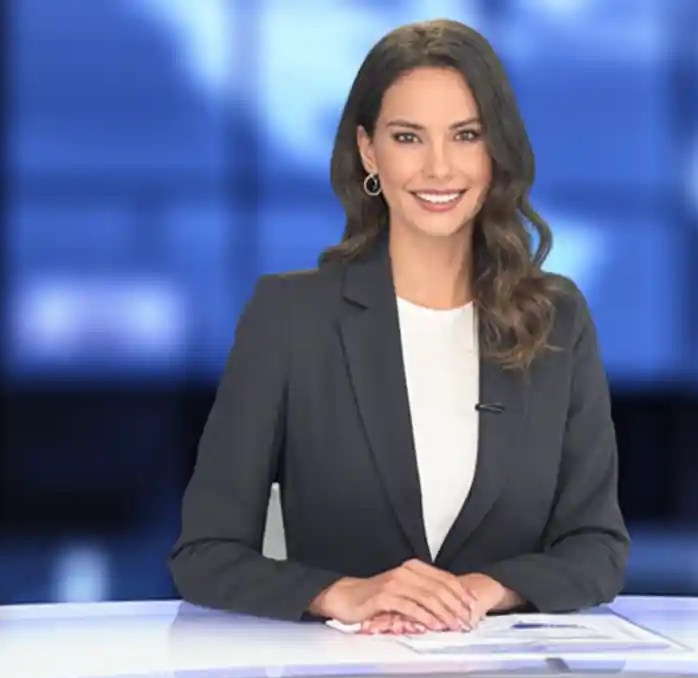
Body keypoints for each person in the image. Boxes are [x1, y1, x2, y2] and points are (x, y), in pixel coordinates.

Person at [169, 18, 628, 635]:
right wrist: (345, 594)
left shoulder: (556, 318)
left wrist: (480, 591)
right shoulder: (290, 318)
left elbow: (597, 548)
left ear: (495, 152)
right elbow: (205, 555)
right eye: (409, 137)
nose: (439, 168)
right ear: (368, 152)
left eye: (465, 135)